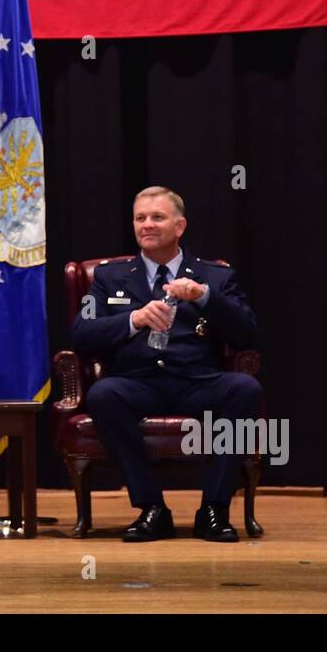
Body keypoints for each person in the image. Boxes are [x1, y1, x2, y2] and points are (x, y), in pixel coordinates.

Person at [71, 186, 261, 542]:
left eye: (157, 217)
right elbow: (81, 333)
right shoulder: (109, 277)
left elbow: (248, 333)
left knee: (244, 389)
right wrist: (134, 319)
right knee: (103, 395)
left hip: (197, 382)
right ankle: (152, 509)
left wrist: (205, 297)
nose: (147, 225)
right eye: (140, 218)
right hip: (137, 383)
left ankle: (214, 509)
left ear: (180, 226)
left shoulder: (214, 277)